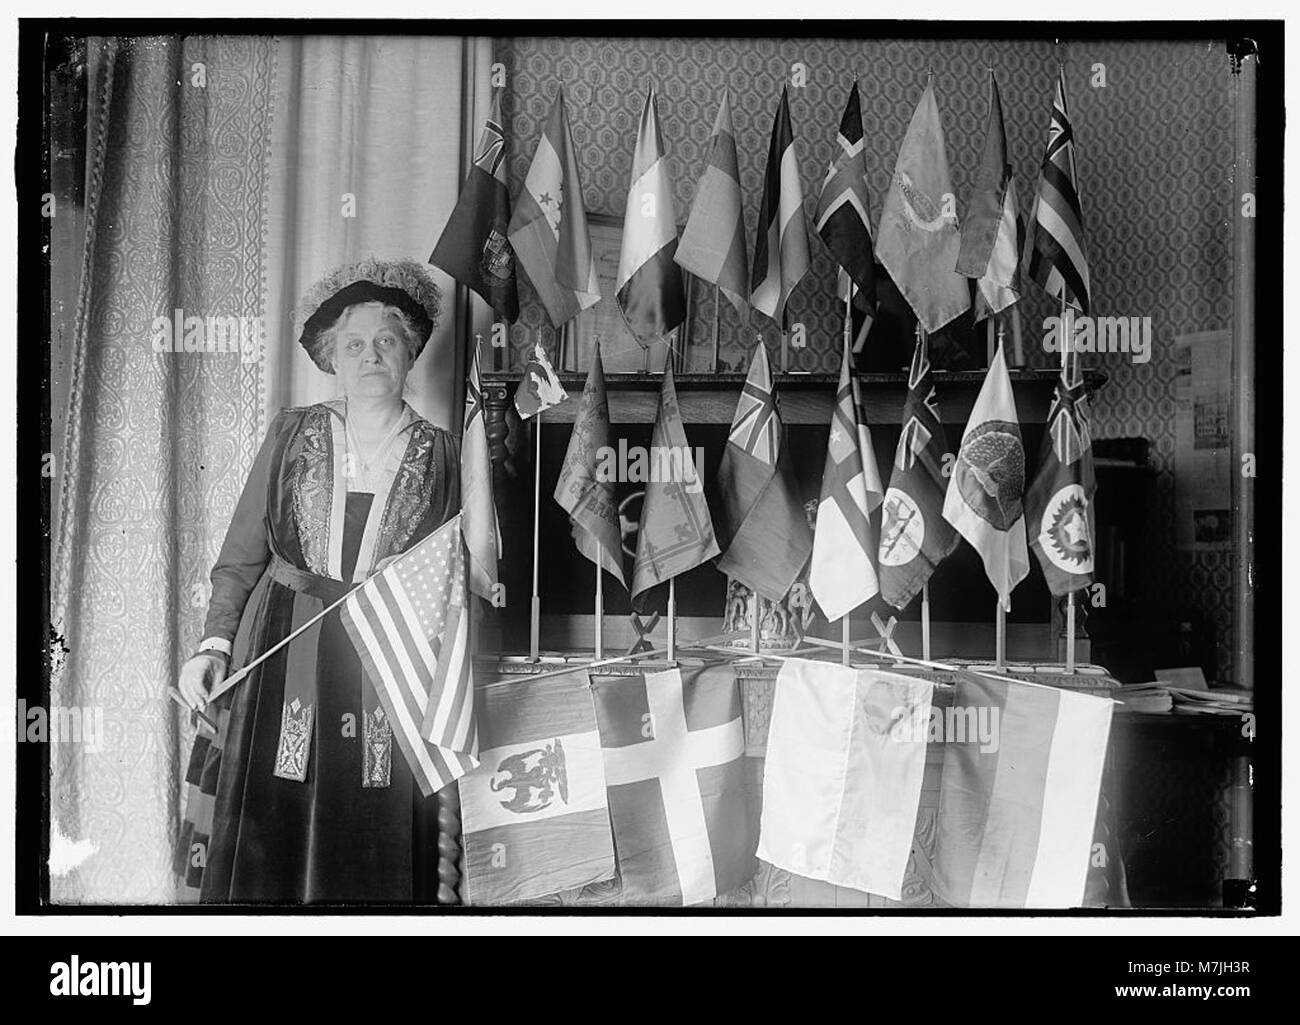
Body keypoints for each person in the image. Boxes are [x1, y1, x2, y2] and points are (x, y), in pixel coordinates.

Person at [173, 257, 459, 903]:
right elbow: (242, 552)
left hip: (383, 664)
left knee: (370, 829)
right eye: (353, 344)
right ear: (332, 356)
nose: (370, 356)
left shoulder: (441, 451)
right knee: (270, 827)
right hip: (282, 653)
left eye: (387, 340)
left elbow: (455, 576)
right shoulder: (292, 430)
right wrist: (213, 644)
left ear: (411, 352)